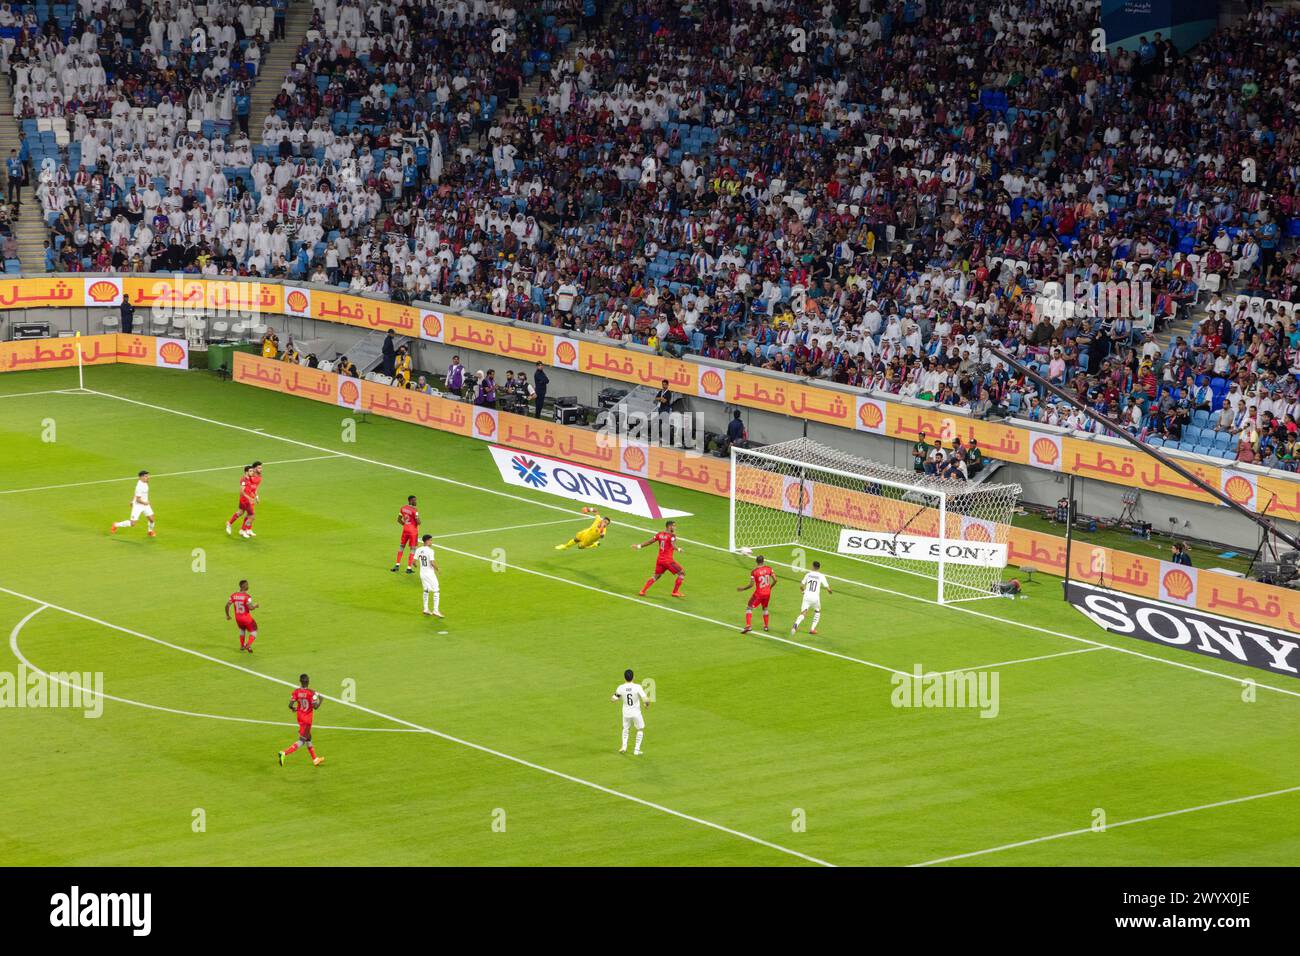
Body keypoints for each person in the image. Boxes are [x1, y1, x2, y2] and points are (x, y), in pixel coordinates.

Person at [277, 673, 324, 767]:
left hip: (300, 718)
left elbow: (290, 705)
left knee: (308, 737)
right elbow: (315, 707)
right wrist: (321, 700)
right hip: (307, 720)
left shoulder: (296, 692)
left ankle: (315, 759)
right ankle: (284, 753)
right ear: (308, 681)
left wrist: (294, 709)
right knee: (302, 740)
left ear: (300, 681)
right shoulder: (311, 693)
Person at [634, 520, 685, 597]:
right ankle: (675, 592)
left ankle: (642, 591)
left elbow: (650, 541)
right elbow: (673, 544)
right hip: (668, 561)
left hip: (660, 560)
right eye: (674, 526)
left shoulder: (659, 534)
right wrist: (678, 549)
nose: (675, 527)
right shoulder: (672, 536)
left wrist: (639, 546)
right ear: (669, 526)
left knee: (656, 576)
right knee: (682, 573)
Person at [611, 668, 649, 755]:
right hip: (636, 713)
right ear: (633, 677)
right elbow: (645, 699)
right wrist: (646, 705)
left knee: (625, 729)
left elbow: (613, 699)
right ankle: (636, 749)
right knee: (640, 729)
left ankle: (624, 746)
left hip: (626, 713)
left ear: (624, 678)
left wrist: (617, 697)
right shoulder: (637, 687)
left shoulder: (620, 687)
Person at [110, 470, 156, 536]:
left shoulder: (146, 482)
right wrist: (145, 503)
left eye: (148, 476)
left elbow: (136, 494)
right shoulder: (139, 487)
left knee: (152, 519)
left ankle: (150, 531)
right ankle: (116, 524)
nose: (148, 477)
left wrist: (132, 500)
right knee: (132, 524)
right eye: (146, 476)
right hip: (138, 506)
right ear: (141, 477)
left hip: (145, 505)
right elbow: (138, 500)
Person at [791, 560, 831, 635]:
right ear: (819, 568)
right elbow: (828, 589)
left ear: (813, 566)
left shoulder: (808, 575)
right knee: (817, 611)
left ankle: (795, 625)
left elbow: (801, 586)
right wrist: (830, 592)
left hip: (806, 596)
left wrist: (803, 592)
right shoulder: (821, 576)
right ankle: (812, 629)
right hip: (815, 597)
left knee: (803, 613)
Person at [739, 553, 776, 634]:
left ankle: (748, 626)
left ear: (756, 561)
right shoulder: (769, 569)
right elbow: (775, 580)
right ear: (763, 561)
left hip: (759, 593)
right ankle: (766, 626)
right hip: (767, 593)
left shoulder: (754, 572)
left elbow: (751, 585)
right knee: (765, 608)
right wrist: (769, 587)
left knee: (749, 607)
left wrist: (743, 589)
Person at [227, 461, 262, 537]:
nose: (261, 469)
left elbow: (254, 488)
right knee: (251, 516)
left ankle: (234, 525)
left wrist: (256, 496)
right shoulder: (245, 479)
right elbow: (242, 491)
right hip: (246, 500)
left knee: (241, 512)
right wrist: (249, 498)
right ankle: (243, 530)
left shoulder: (252, 478)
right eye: (259, 467)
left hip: (249, 498)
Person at [224, 579, 259, 652]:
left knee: (242, 629)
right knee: (254, 631)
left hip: (238, 618)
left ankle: (242, 646)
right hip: (246, 618)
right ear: (244, 586)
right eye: (247, 585)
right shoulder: (247, 596)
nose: (248, 586)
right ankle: (248, 645)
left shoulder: (233, 595)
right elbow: (251, 608)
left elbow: (227, 605)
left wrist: (227, 615)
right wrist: (255, 606)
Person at [413, 534, 442, 618]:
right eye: (431, 540)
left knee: (426, 590)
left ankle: (426, 609)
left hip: (422, 573)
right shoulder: (430, 551)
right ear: (427, 541)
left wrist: (418, 566)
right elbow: (432, 563)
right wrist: (438, 569)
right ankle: (435, 610)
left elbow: (414, 562)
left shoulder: (418, 550)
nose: (431, 542)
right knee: (436, 590)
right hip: (430, 574)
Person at [392, 495, 421, 572]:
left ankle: (397, 565)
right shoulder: (415, 510)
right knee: (413, 548)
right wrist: (417, 518)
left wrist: (405, 525)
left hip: (405, 530)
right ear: (410, 501)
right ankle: (409, 568)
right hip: (413, 532)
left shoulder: (403, 508)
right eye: (414, 500)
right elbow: (419, 522)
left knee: (401, 546)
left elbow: (398, 519)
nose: (416, 502)